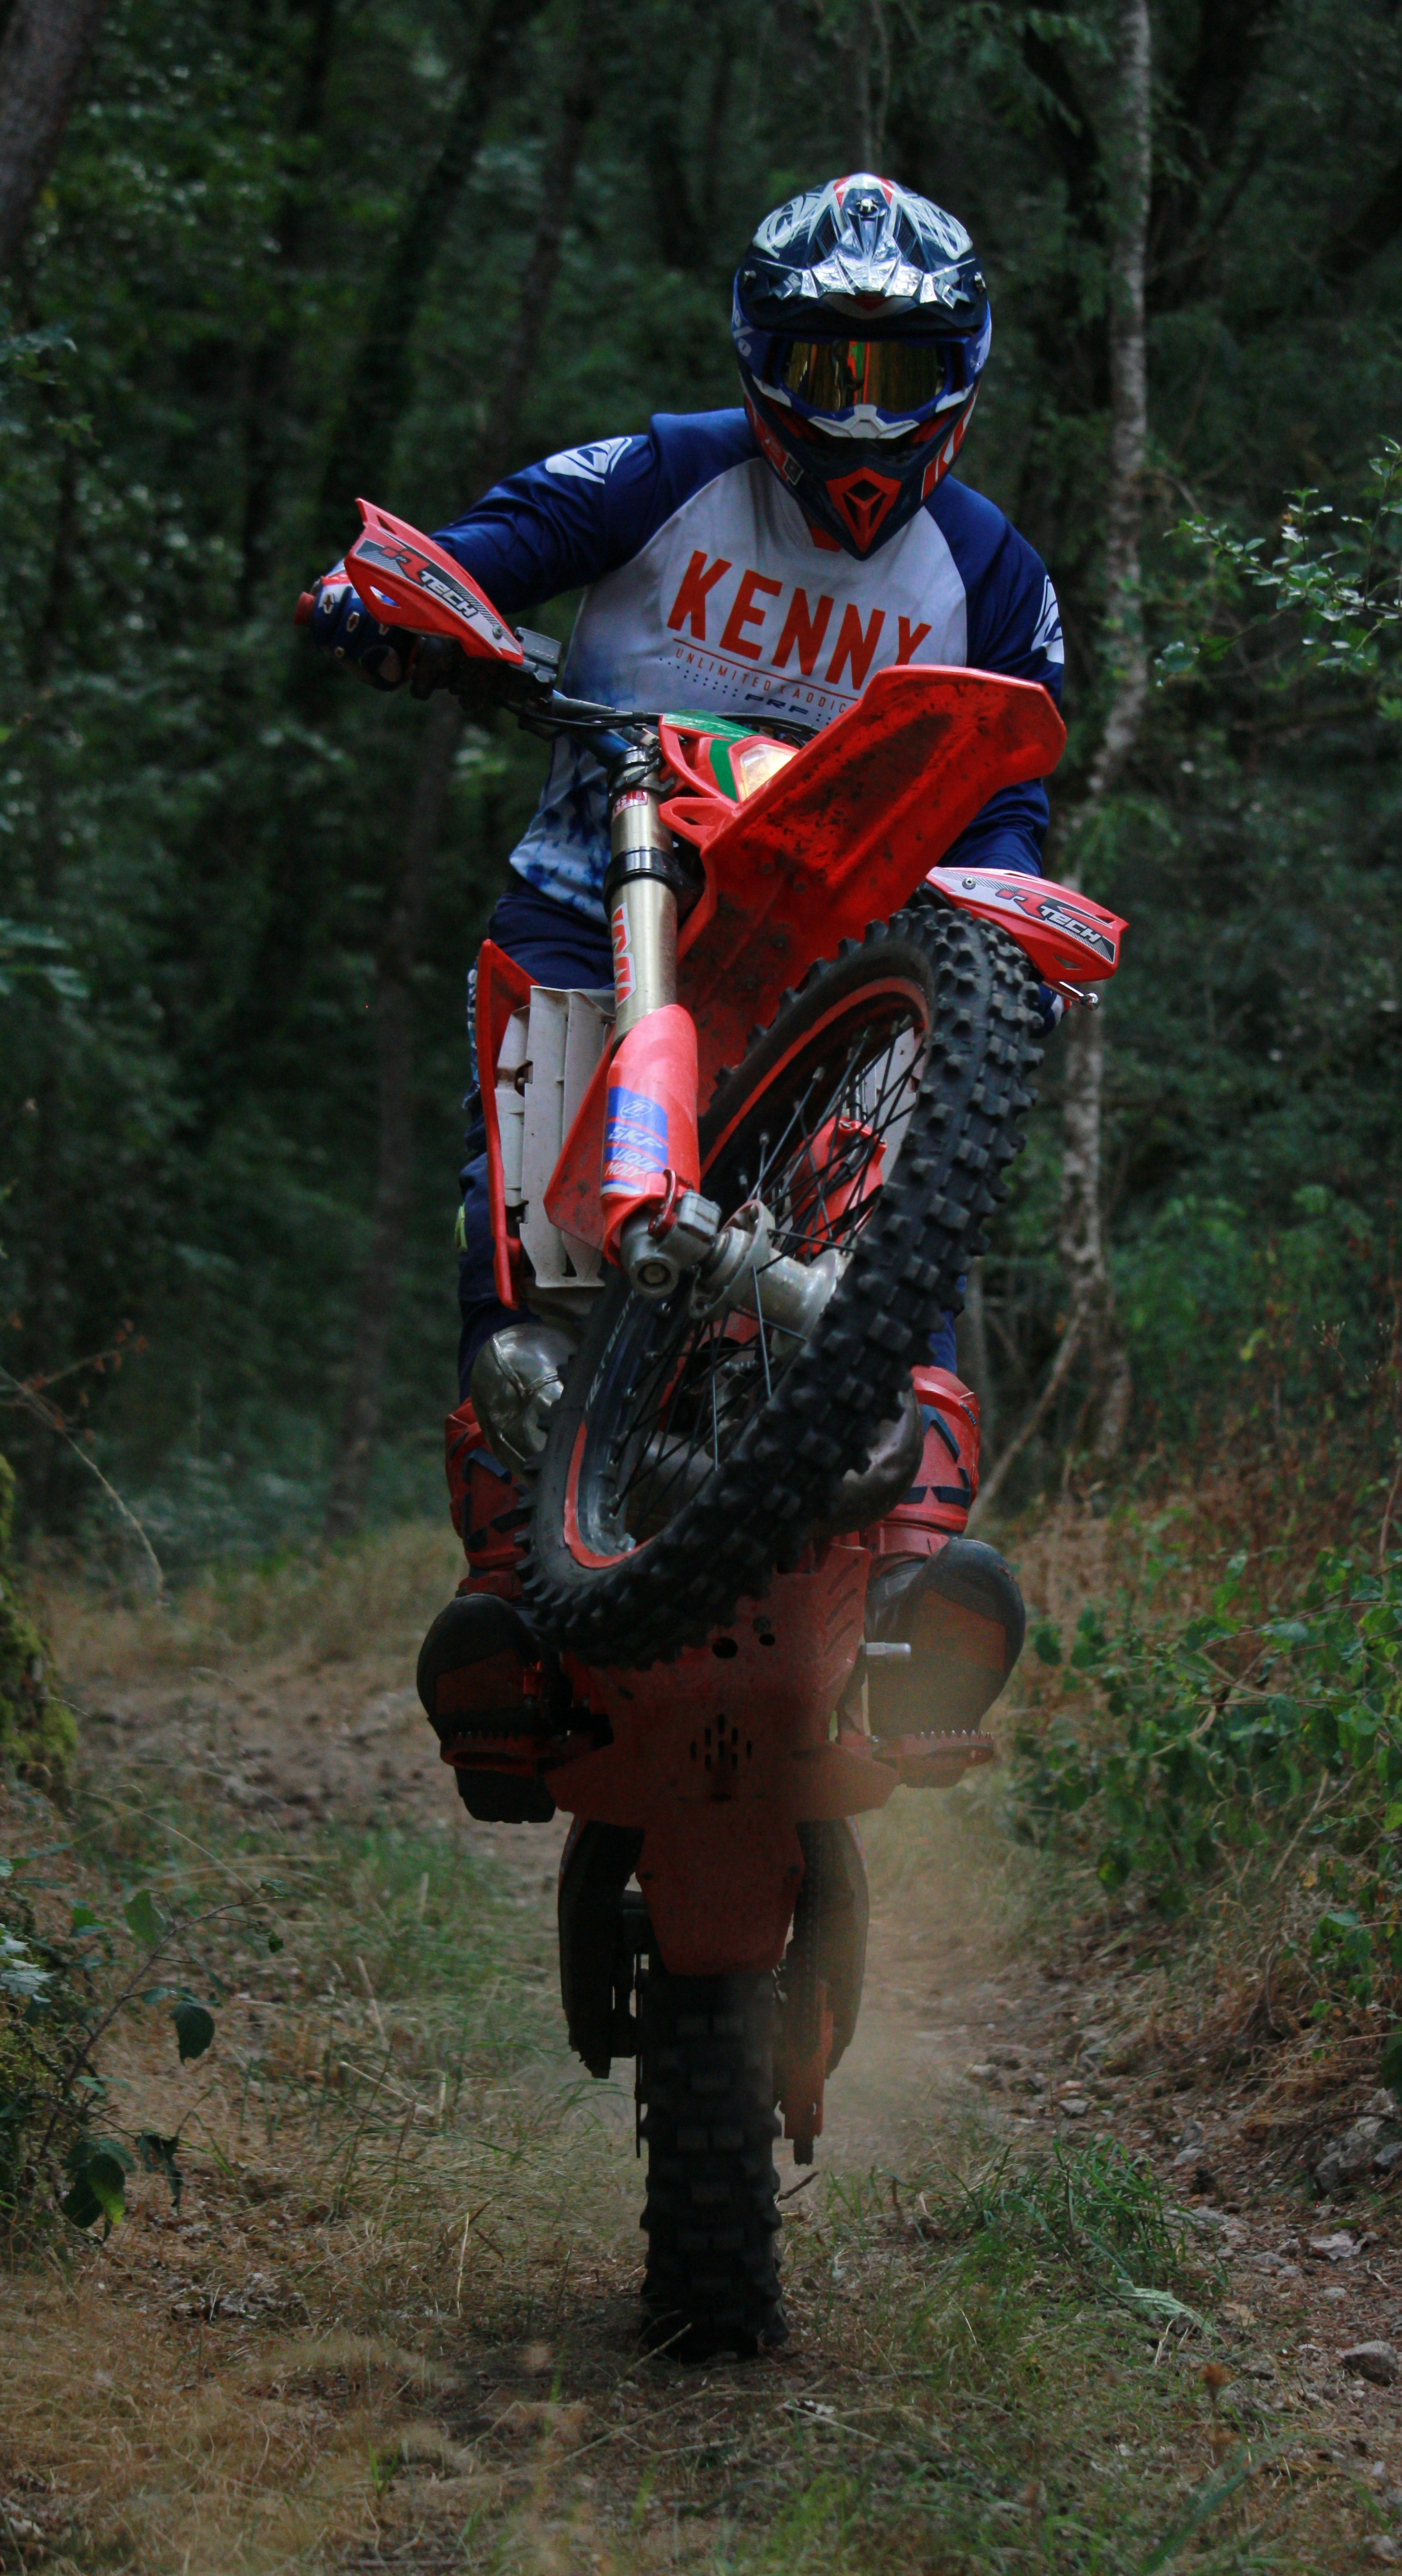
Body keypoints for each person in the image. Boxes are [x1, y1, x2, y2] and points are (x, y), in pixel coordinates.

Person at [307, 174, 1059, 1794]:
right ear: (758, 357)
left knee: (910, 1178)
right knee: (516, 1212)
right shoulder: (666, 473)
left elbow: (1014, 791)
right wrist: (399, 605)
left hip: (838, 967)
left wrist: (1017, 919)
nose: (860, 414)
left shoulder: (989, 571)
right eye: (823, 364)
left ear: (962, 372)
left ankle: (921, 1584)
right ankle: (506, 1602)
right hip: (601, 905)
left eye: (897, 371)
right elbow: (491, 548)